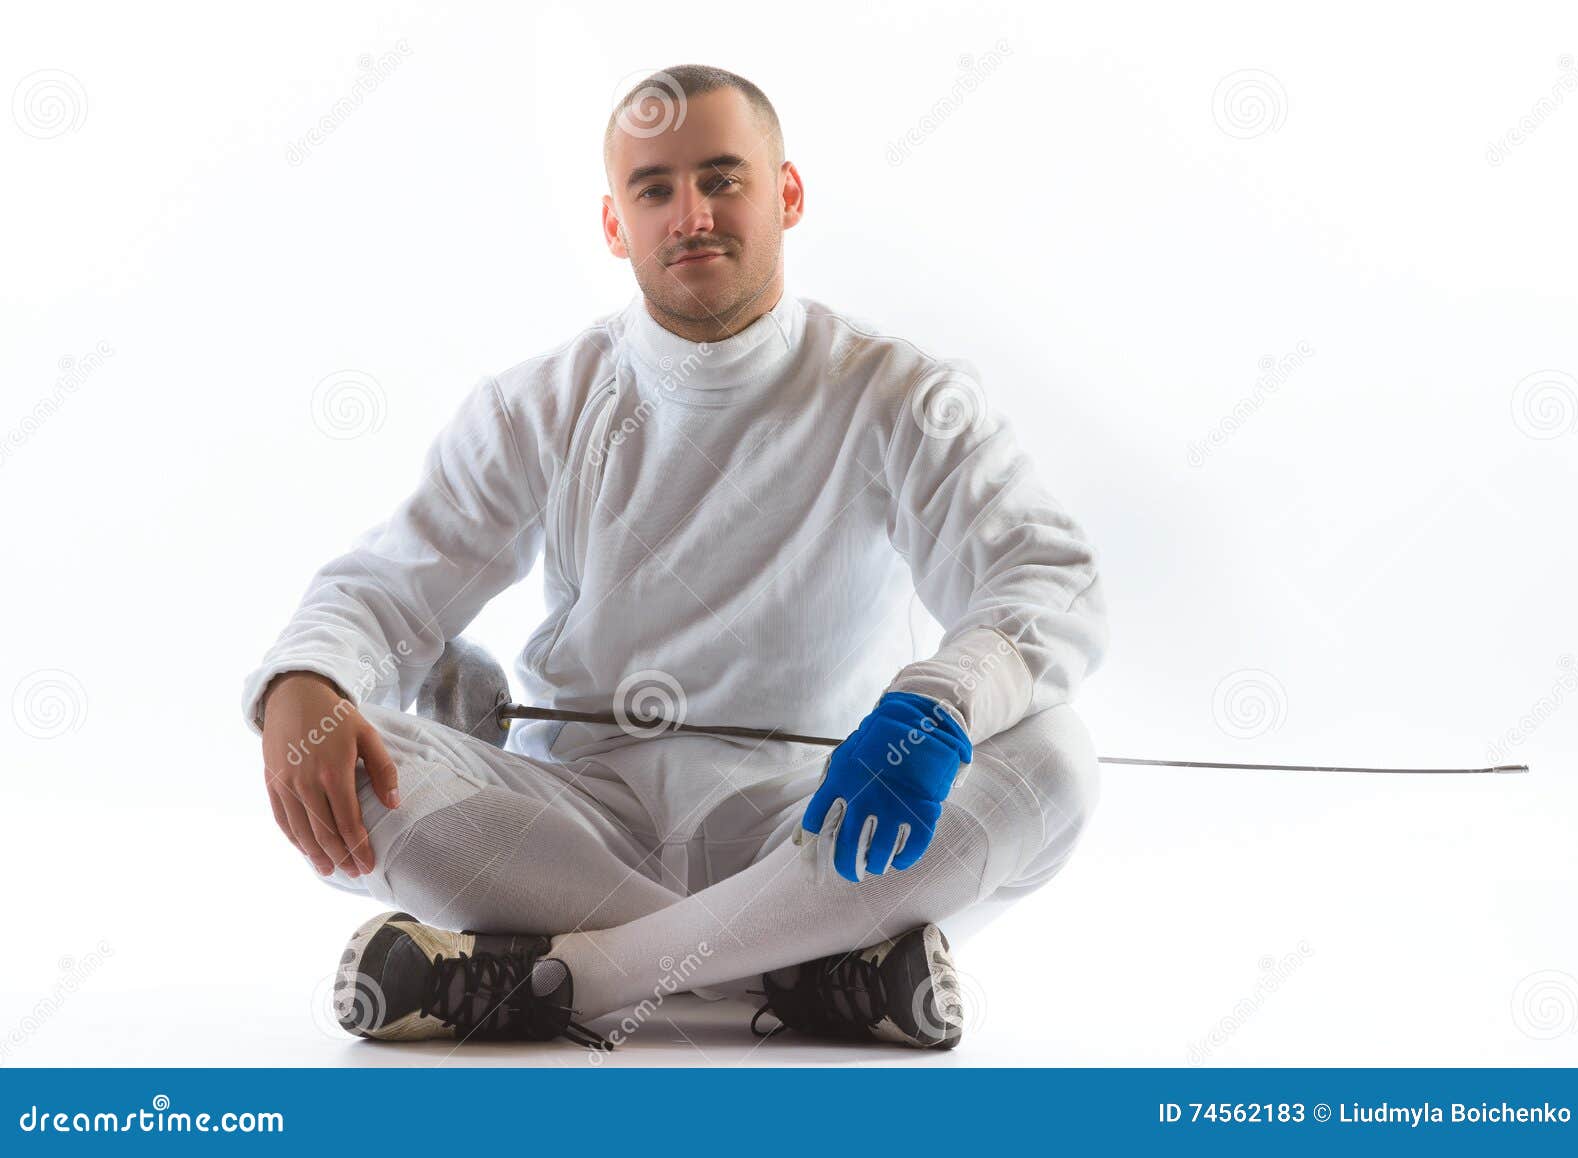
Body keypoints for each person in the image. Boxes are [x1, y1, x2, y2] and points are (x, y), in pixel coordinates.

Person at [246, 63, 1109, 1050]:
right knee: (341, 757)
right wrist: (306, 679)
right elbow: (385, 594)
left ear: (784, 195)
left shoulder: (901, 394)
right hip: (577, 818)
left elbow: (1047, 580)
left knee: (1057, 759)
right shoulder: (538, 403)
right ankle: (809, 973)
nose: (690, 213)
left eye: (723, 177)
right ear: (616, 225)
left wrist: (941, 705)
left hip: (822, 822)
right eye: (654, 189)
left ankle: (564, 975)